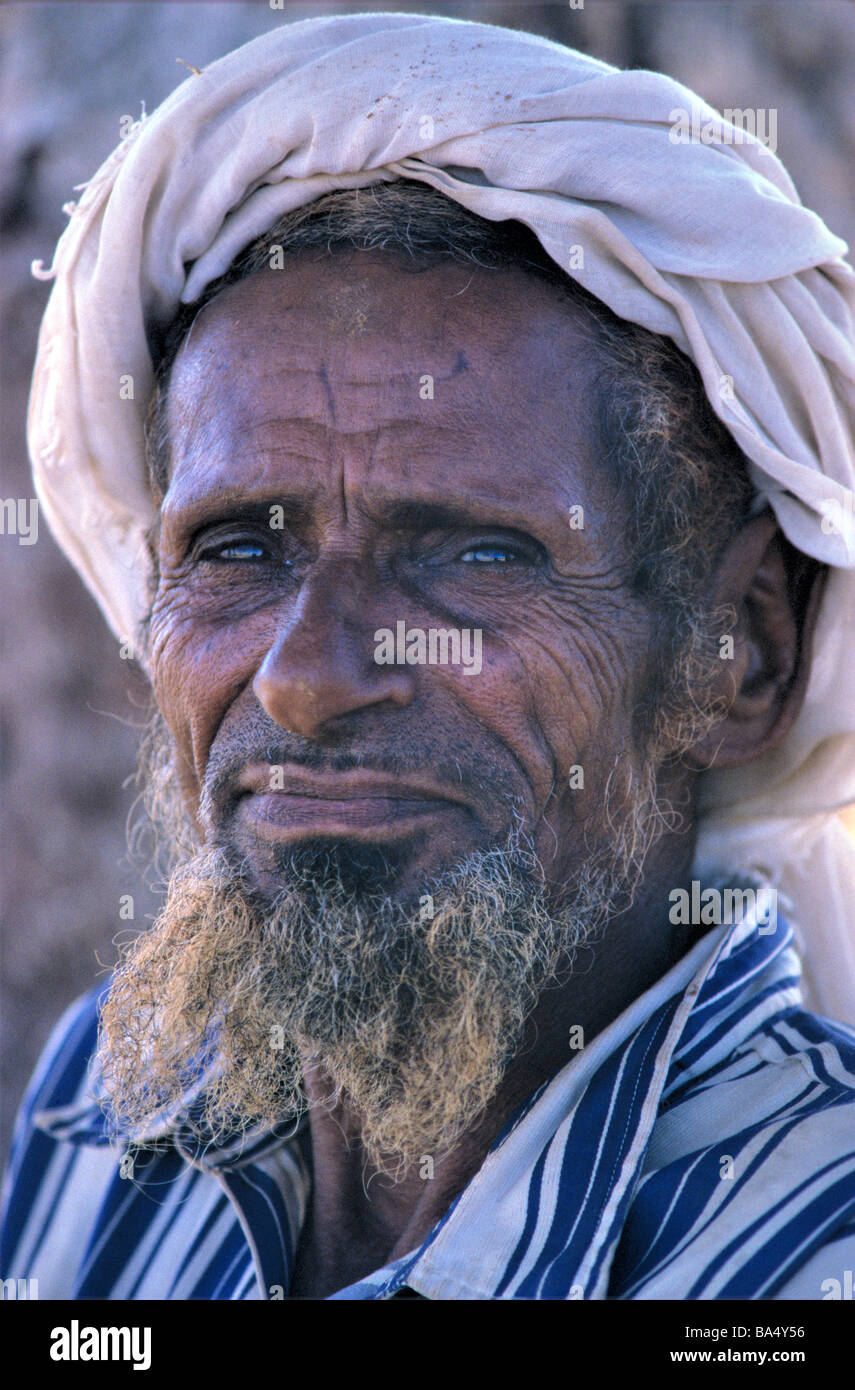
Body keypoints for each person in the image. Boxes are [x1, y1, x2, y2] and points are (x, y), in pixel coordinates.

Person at [2, 13, 854, 1301]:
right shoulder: (110, 1109)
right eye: (239, 548)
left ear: (741, 654)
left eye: (475, 559)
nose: (308, 679)